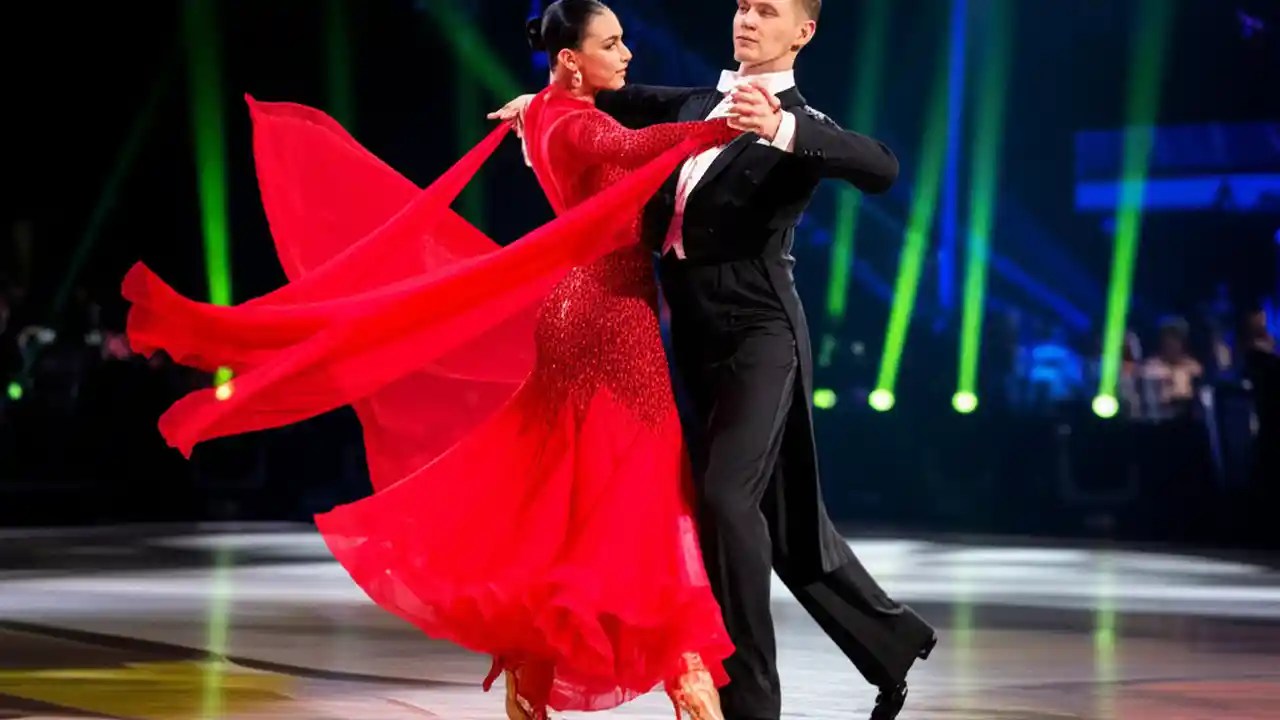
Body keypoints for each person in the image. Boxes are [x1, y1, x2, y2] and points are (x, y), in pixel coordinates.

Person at [117, 1, 780, 717]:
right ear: (570, 59)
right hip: (609, 318)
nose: (627, 54)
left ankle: (534, 673)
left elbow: (587, 126)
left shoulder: (545, 113)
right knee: (644, 486)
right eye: (611, 43)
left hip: (574, 312)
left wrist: (538, 100)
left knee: (571, 492)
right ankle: (685, 671)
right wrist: (723, 125)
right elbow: (632, 145)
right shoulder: (578, 123)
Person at [491, 2, 937, 718]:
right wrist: (538, 102)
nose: (747, 19)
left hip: (761, 336)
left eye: (768, 10)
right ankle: (892, 643)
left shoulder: (802, 124)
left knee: (727, 501)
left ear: (803, 32)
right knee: (783, 522)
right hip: (689, 339)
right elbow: (604, 95)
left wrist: (784, 130)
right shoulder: (700, 101)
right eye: (742, 5)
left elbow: (881, 166)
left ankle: (749, 702)